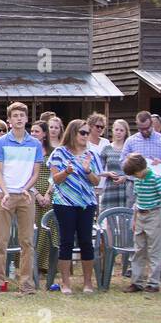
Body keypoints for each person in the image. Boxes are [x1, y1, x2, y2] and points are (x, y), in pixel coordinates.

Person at [0, 101, 43, 294]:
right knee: (0, 241)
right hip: (4, 194)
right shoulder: (1, 143)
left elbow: (35, 173)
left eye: (22, 116)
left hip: (26, 196)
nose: (19, 119)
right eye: (15, 116)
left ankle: (26, 284)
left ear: (27, 119)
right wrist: (6, 192)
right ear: (9, 120)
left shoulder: (35, 144)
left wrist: (26, 188)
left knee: (26, 242)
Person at [48, 119, 101, 294]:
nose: (87, 136)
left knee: (86, 241)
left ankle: (87, 282)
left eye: (88, 133)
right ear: (73, 133)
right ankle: (65, 283)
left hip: (87, 203)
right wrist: (67, 171)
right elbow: (55, 180)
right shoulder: (59, 153)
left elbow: (96, 181)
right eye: (83, 133)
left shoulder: (91, 154)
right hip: (64, 203)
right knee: (66, 242)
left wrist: (87, 170)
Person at [123, 153, 161, 292]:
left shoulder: (155, 179)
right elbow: (137, 200)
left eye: (135, 173)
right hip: (140, 215)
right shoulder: (137, 180)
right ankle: (136, 282)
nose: (134, 176)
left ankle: (153, 283)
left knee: (154, 250)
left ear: (141, 169)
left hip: (154, 215)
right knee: (138, 250)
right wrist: (134, 219)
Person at [122, 111, 161, 190]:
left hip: (157, 185)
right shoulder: (130, 141)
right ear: (137, 124)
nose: (145, 131)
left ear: (152, 123)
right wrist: (131, 162)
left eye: (147, 128)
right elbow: (122, 162)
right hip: (135, 185)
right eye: (141, 129)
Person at [30, 122, 56, 281]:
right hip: (32, 192)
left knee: (47, 230)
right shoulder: (29, 152)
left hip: (50, 193)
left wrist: (47, 194)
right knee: (34, 229)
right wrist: (37, 195)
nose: (33, 133)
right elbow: (26, 175)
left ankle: (45, 266)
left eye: (37, 131)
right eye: (31, 131)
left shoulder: (53, 152)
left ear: (44, 134)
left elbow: (55, 174)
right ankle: (32, 265)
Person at [99, 118, 134, 212]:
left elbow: (136, 170)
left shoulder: (130, 149)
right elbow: (98, 169)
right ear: (113, 130)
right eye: (117, 130)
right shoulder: (107, 148)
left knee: (125, 217)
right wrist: (108, 173)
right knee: (109, 217)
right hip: (110, 186)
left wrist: (125, 177)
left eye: (121, 130)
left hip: (126, 187)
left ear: (126, 132)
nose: (119, 132)